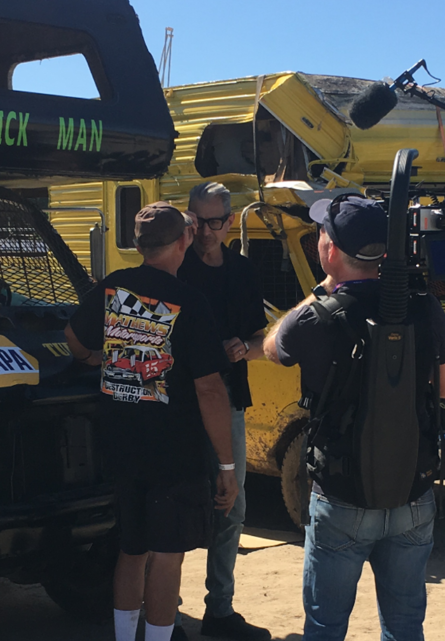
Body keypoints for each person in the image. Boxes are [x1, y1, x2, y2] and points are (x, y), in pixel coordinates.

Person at [262, 195, 445, 641]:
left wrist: (320, 292)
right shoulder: (424, 307)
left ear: (330, 250)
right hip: (413, 486)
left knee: (326, 626)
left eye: (321, 235)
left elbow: (274, 348)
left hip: (341, 494)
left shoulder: (314, 317)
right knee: (406, 625)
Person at [63, 202, 239, 641]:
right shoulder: (188, 300)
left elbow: (72, 336)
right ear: (182, 241)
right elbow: (210, 389)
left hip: (121, 443)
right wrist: (228, 465)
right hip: (174, 451)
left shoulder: (113, 287)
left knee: (131, 549)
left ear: (141, 245)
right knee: (167, 555)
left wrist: (96, 358)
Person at [175, 182, 271, 641]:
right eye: (197, 221)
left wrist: (243, 348)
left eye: (214, 222)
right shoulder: (176, 267)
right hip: (178, 402)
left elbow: (262, 340)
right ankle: (165, 615)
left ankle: (220, 609)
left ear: (229, 222)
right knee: (173, 502)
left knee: (231, 504)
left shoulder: (243, 272)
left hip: (229, 398)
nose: (206, 231)